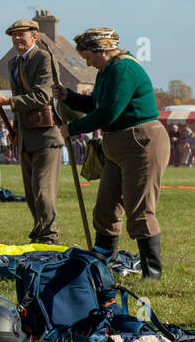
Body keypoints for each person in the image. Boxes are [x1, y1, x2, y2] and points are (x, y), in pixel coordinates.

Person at [56, 28, 167, 279]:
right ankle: (101, 262)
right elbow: (96, 105)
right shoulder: (107, 72)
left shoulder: (123, 70)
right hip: (117, 147)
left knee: (140, 210)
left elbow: (108, 114)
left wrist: (71, 128)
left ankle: (152, 273)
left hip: (141, 143)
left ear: (103, 50)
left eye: (88, 56)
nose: (87, 62)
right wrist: (69, 97)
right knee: (105, 208)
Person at [0, 19, 62, 245]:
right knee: (31, 192)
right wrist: (16, 130)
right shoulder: (13, 63)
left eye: (22, 34)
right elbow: (21, 107)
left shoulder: (43, 58)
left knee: (43, 190)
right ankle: (40, 231)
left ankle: (50, 235)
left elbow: (43, 95)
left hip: (46, 135)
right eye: (14, 35)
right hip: (26, 136)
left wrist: (8, 101)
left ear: (35, 37)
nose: (17, 38)